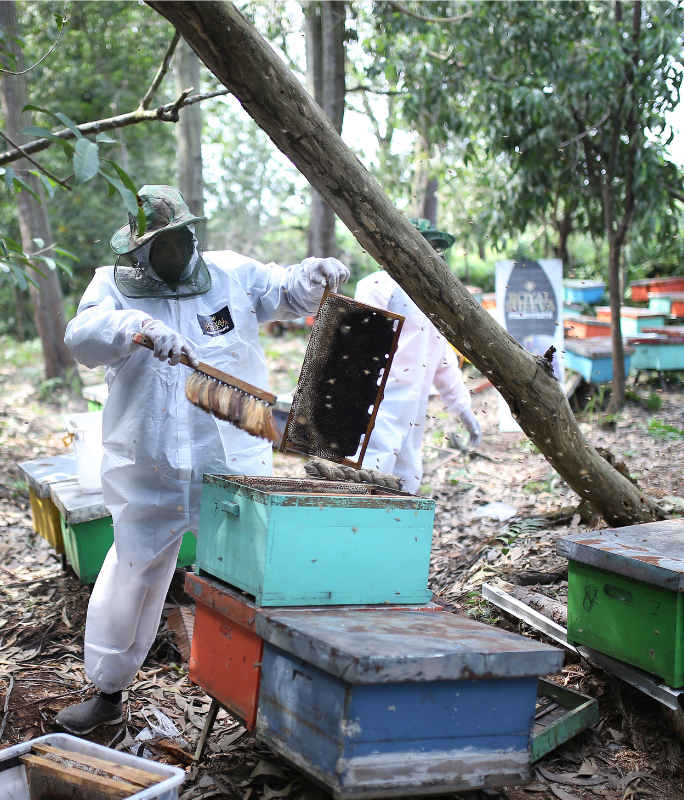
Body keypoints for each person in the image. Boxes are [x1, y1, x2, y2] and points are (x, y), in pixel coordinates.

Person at [56, 186, 349, 734]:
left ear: (191, 234)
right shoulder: (110, 287)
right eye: (157, 244)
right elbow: (82, 339)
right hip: (151, 467)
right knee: (133, 571)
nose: (171, 250)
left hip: (232, 463)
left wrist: (311, 275)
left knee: (253, 578)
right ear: (137, 249)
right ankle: (107, 695)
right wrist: (135, 328)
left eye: (176, 239)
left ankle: (273, 702)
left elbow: (285, 293)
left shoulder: (231, 273)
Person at [354, 219, 481, 494]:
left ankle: (393, 534)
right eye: (429, 248)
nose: (435, 256)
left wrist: (461, 406)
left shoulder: (431, 299)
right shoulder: (378, 286)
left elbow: (442, 356)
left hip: (413, 409)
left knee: (407, 480)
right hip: (376, 405)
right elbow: (354, 347)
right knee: (368, 477)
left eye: (437, 250)